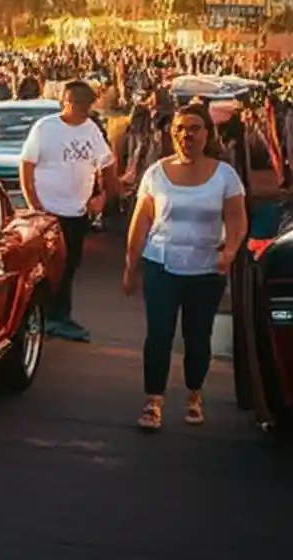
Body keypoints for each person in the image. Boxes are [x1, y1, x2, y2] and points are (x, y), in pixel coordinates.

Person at [122, 104, 246, 430]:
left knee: (197, 336)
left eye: (194, 128)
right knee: (159, 333)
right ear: (171, 132)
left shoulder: (224, 175)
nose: (186, 135)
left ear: (207, 133)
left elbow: (237, 221)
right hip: (161, 263)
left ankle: (194, 394)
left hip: (206, 268)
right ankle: (153, 401)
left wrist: (230, 251)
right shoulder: (156, 173)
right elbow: (141, 222)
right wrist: (130, 265)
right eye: (179, 128)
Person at [19, 80, 119, 342]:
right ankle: (49, 316)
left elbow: (105, 163)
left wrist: (104, 196)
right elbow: (27, 166)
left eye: (89, 104)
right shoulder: (46, 128)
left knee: (70, 265)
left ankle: (58, 315)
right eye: (80, 103)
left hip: (77, 211)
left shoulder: (91, 130)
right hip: (49, 211)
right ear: (66, 102)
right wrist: (34, 204)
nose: (85, 109)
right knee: (50, 265)